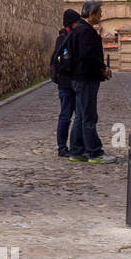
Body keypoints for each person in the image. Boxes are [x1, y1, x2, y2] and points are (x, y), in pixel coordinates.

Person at [66, 0, 117, 164]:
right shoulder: (86, 32)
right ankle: (95, 153)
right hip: (86, 79)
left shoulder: (78, 30)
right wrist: (102, 69)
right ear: (92, 13)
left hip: (78, 78)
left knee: (80, 116)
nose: (101, 15)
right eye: (100, 12)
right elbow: (88, 57)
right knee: (89, 117)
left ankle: (76, 151)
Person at [50, 9, 82, 157]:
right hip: (68, 83)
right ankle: (62, 146)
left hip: (68, 82)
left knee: (76, 115)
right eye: (76, 22)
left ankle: (75, 145)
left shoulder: (65, 38)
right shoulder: (65, 39)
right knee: (67, 115)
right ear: (71, 23)